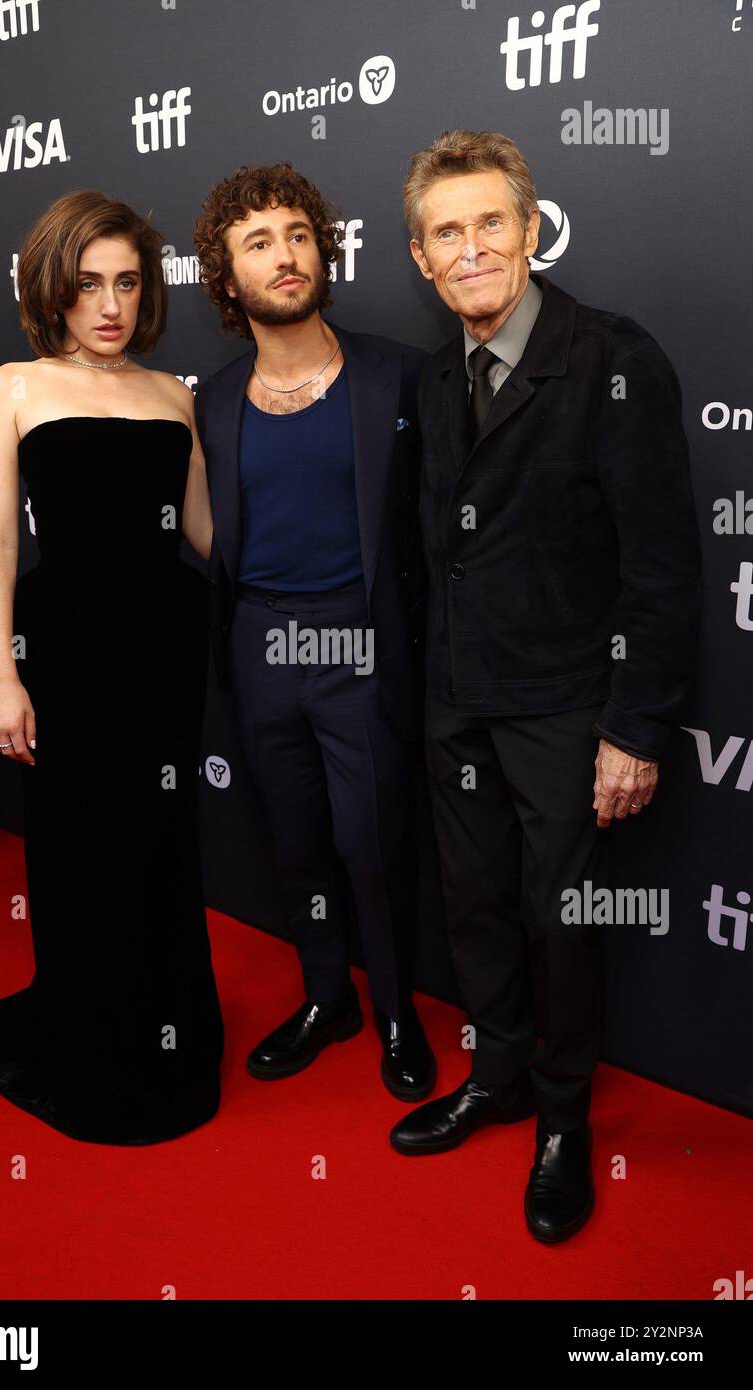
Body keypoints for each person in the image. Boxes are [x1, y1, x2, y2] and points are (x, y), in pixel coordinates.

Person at [390, 130, 702, 1241]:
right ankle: (500, 1076)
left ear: (529, 230)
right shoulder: (433, 381)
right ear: (419, 258)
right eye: (443, 233)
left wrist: (634, 727)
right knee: (473, 907)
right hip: (456, 700)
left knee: (558, 919)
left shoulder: (613, 357)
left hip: (569, 704)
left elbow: (661, 566)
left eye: (487, 224)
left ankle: (562, 1120)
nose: (468, 248)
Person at [0, 189, 224, 1145]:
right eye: (89, 283)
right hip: (63, 654)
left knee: (161, 846)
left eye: (129, 283)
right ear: (53, 291)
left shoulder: (172, 395)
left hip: (166, 650)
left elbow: (205, 535)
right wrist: (1, 675)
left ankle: (168, 1039)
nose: (111, 305)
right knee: (77, 852)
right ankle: (92, 1044)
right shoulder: (11, 388)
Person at [191, 162, 436, 1100]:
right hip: (258, 645)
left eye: (297, 235)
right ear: (226, 277)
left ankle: (398, 1015)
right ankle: (326, 997)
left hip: (360, 646)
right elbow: (210, 523)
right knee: (293, 839)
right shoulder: (212, 400)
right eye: (259, 242)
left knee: (372, 842)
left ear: (321, 248)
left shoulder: (396, 375)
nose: (285, 256)